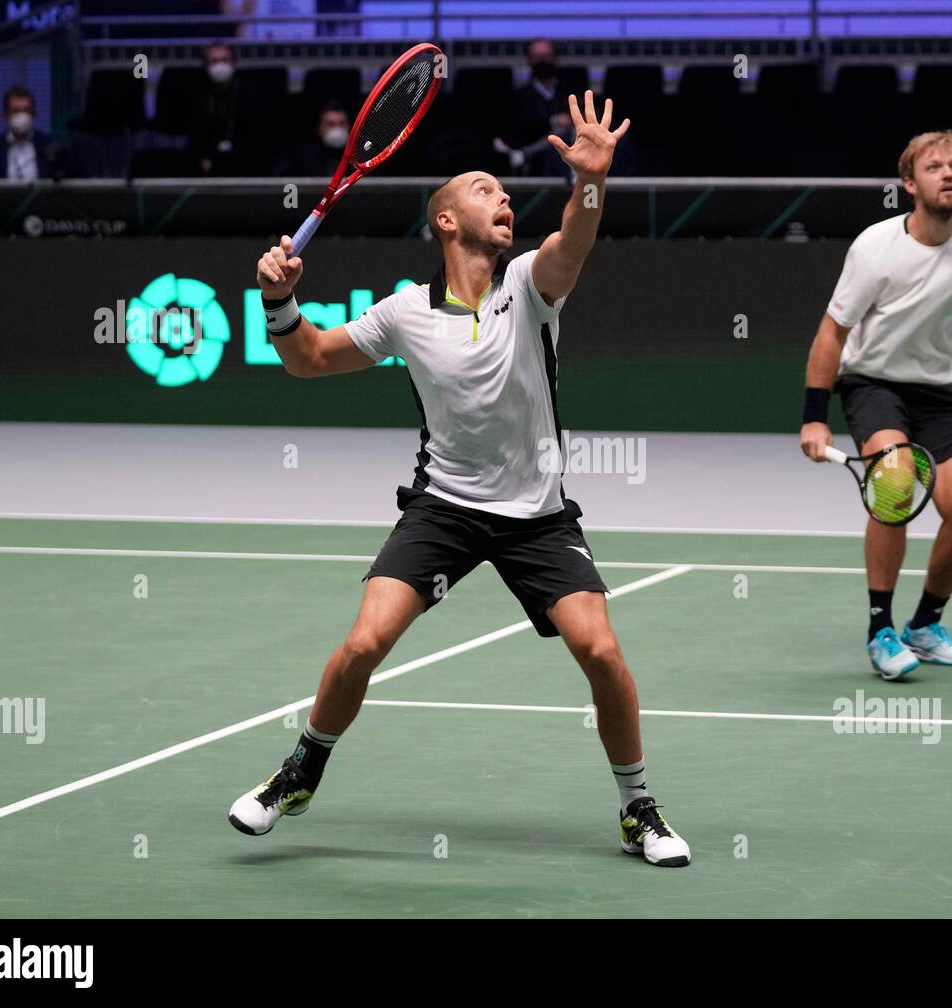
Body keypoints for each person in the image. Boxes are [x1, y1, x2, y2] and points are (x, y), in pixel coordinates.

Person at [232, 92, 690, 868]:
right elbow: (307, 357)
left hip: (538, 518)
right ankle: (301, 773)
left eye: (505, 191)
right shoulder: (407, 311)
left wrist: (590, 181)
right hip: (442, 507)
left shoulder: (530, 290)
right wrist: (279, 299)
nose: (503, 196)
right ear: (445, 220)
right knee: (362, 644)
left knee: (603, 654)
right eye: (484, 189)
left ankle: (638, 807)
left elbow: (572, 243)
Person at [799, 130, 952, 680]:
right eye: (934, 167)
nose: (948, 174)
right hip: (874, 382)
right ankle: (880, 630)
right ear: (910, 184)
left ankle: (925, 625)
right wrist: (814, 416)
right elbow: (831, 334)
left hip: (940, 389)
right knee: (893, 486)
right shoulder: (874, 249)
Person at [494, 39, 573, 176]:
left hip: (566, 163)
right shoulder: (516, 97)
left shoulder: (570, 93)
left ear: (555, 58)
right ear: (529, 60)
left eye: (547, 56)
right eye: (537, 57)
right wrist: (553, 121)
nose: (542, 62)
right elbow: (518, 130)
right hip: (532, 165)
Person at [0, 86, 53, 180]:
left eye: (26, 110)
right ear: (5, 114)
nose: (22, 116)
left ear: (33, 113)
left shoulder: (49, 146)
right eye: (16, 111)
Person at [189, 43, 245, 175]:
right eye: (214, 61)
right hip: (207, 165)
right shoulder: (197, 97)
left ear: (234, 62)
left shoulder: (249, 95)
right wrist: (202, 159)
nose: (220, 66)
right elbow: (194, 136)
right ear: (206, 65)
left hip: (245, 164)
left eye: (225, 60)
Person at [283, 101, 349, 178]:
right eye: (330, 124)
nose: (337, 129)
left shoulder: (359, 158)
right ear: (319, 128)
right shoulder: (304, 159)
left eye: (342, 123)